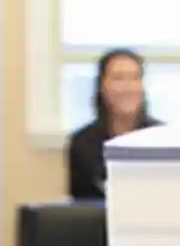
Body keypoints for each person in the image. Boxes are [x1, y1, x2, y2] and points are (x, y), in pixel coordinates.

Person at [67, 48, 160, 199]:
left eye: (135, 78)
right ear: (102, 86)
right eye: (118, 78)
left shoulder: (161, 138)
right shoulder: (82, 143)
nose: (128, 87)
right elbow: (81, 206)